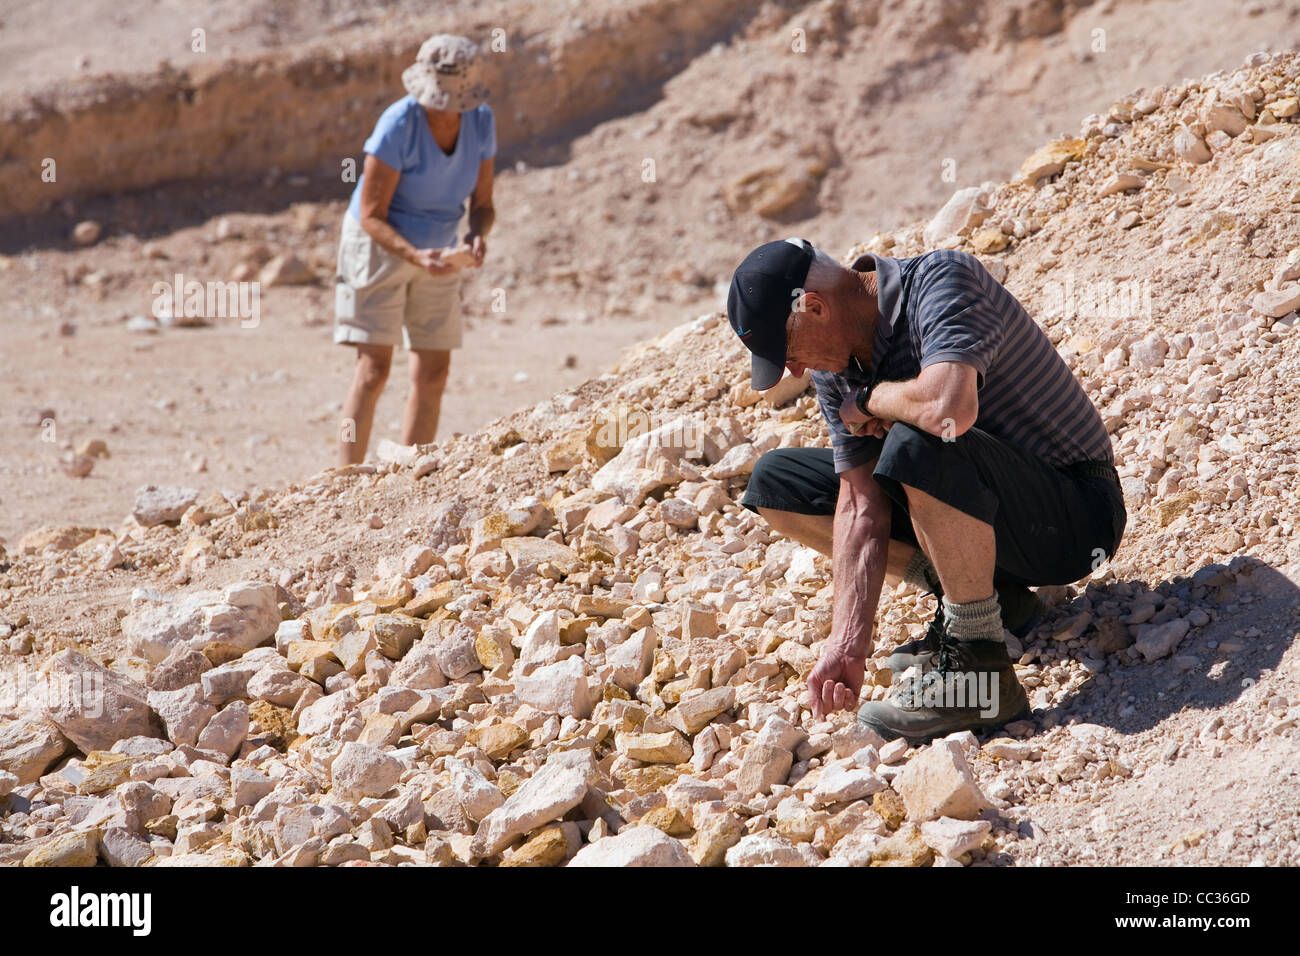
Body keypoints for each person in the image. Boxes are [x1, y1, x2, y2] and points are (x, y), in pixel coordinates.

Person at [726, 238, 1126, 743]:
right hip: (994, 519)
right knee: (777, 482)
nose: (796, 372)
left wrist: (873, 400)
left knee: (919, 437)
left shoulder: (942, 280)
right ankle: (994, 600)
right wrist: (847, 644)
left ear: (816, 307)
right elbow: (859, 503)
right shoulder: (838, 367)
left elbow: (948, 409)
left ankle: (980, 670)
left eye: (788, 352)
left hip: (1075, 514)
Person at [334, 34, 496, 465]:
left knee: (434, 371)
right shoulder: (397, 124)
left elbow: (482, 206)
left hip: (440, 249)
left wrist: (477, 235)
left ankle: (411, 472)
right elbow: (371, 214)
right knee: (374, 370)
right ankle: (344, 479)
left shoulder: (480, 122)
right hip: (379, 245)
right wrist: (414, 256)